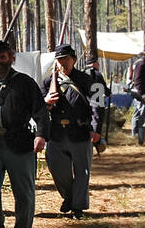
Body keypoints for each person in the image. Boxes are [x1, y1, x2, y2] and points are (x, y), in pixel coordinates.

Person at [0, 41, 47, 228]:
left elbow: (41, 111)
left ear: (11, 58)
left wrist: (41, 135)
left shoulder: (25, 82)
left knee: (24, 190)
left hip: (20, 142)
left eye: (3, 57)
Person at [39, 44, 102, 218]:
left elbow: (98, 105)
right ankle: (69, 196)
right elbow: (38, 108)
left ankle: (78, 207)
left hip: (80, 131)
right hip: (56, 133)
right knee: (57, 170)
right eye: (59, 60)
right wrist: (46, 102)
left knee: (82, 172)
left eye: (66, 59)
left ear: (74, 60)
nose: (62, 63)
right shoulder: (47, 82)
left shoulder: (88, 79)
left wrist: (96, 129)